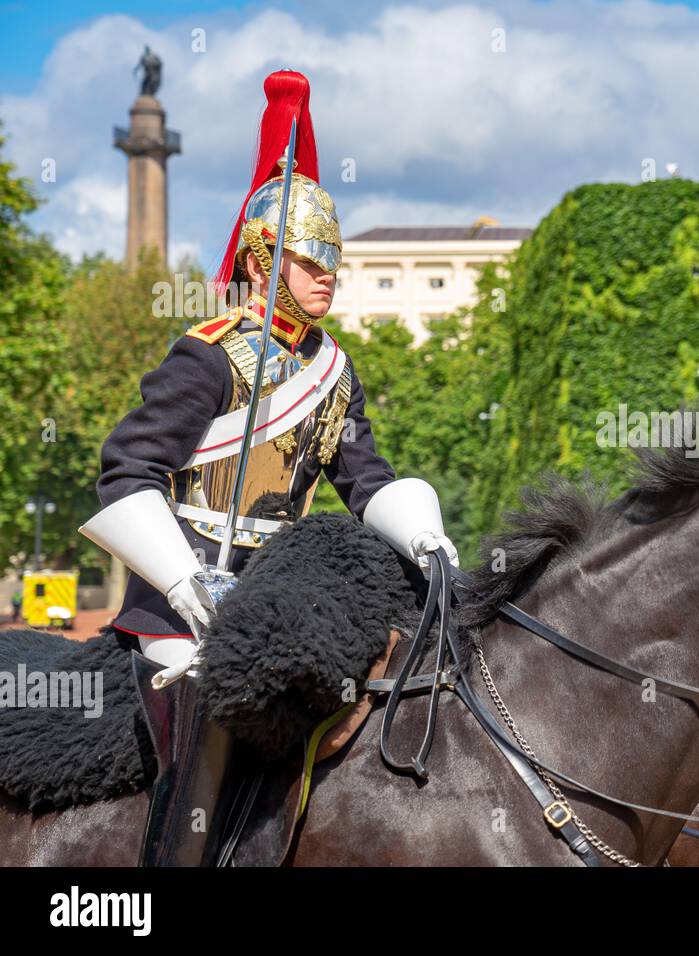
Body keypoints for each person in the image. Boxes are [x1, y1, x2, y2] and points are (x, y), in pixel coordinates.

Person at [79, 70, 456, 866]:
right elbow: (126, 470)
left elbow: (368, 482)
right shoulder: (209, 357)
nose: (329, 275)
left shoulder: (335, 372)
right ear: (261, 262)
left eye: (332, 263)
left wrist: (425, 538)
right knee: (216, 710)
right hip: (186, 600)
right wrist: (185, 583)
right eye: (311, 261)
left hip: (288, 592)